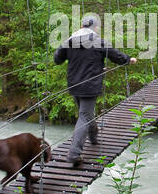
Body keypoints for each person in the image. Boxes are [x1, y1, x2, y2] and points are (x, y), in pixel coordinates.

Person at [53, 14, 136, 167]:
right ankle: (74, 153)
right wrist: (128, 60)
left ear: (81, 26)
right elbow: (114, 55)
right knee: (85, 115)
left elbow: (57, 59)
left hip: (74, 84)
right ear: (95, 27)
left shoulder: (70, 41)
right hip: (90, 86)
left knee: (85, 113)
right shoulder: (97, 41)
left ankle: (93, 137)